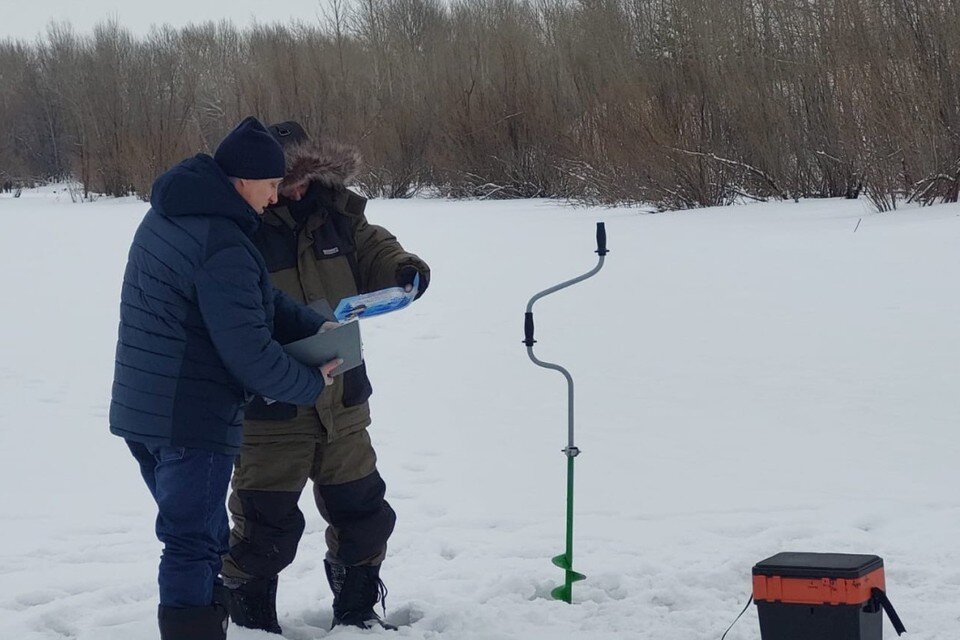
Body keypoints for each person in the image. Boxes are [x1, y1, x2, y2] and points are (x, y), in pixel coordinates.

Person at [109, 116, 341, 640]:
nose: (277, 196)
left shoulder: (174, 214)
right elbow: (251, 355)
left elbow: (255, 300)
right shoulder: (224, 241)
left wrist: (313, 325)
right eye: (271, 184)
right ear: (242, 180)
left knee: (203, 536)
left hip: (143, 411)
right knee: (191, 543)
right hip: (190, 418)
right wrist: (312, 382)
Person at [221, 121, 430, 632]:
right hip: (271, 409)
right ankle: (251, 624)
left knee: (363, 515)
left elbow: (377, 248)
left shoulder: (336, 215)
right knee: (262, 531)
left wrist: (403, 270)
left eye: (302, 178)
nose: (292, 190)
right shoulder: (238, 230)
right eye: (283, 180)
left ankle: (356, 614)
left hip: (342, 398)